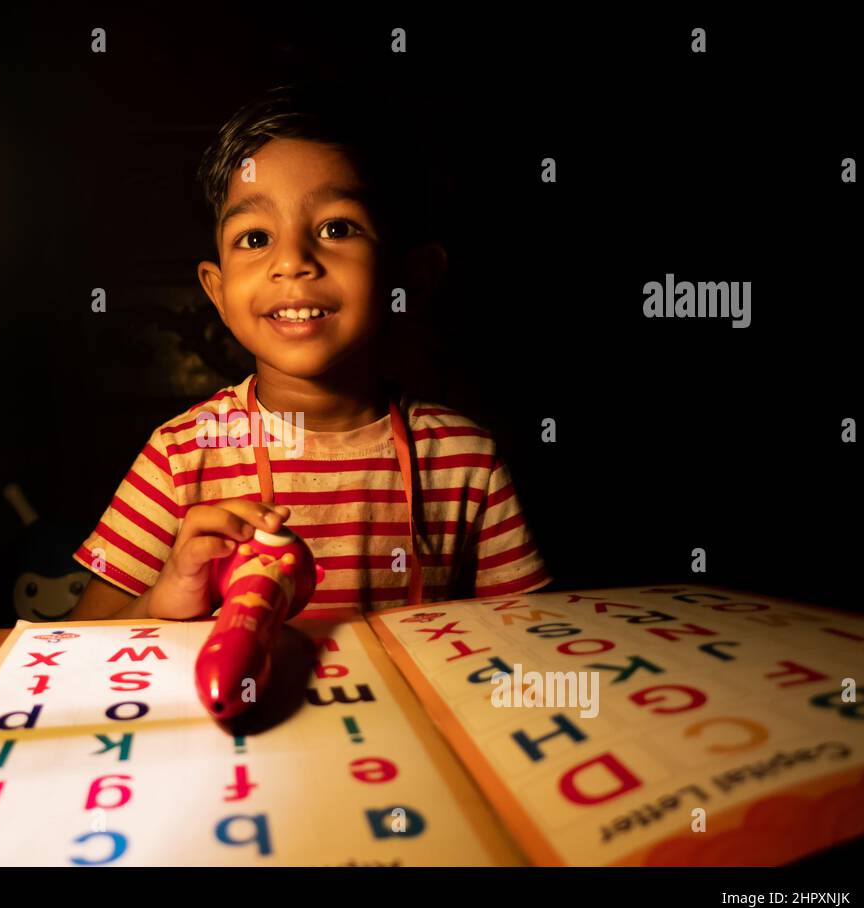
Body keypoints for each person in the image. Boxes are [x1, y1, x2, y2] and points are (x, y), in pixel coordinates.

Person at [70, 84, 551, 621]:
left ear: (409, 277)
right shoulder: (180, 458)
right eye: (255, 239)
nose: (293, 261)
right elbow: (72, 647)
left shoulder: (468, 461)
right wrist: (164, 602)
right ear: (218, 293)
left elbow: (527, 641)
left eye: (336, 228)